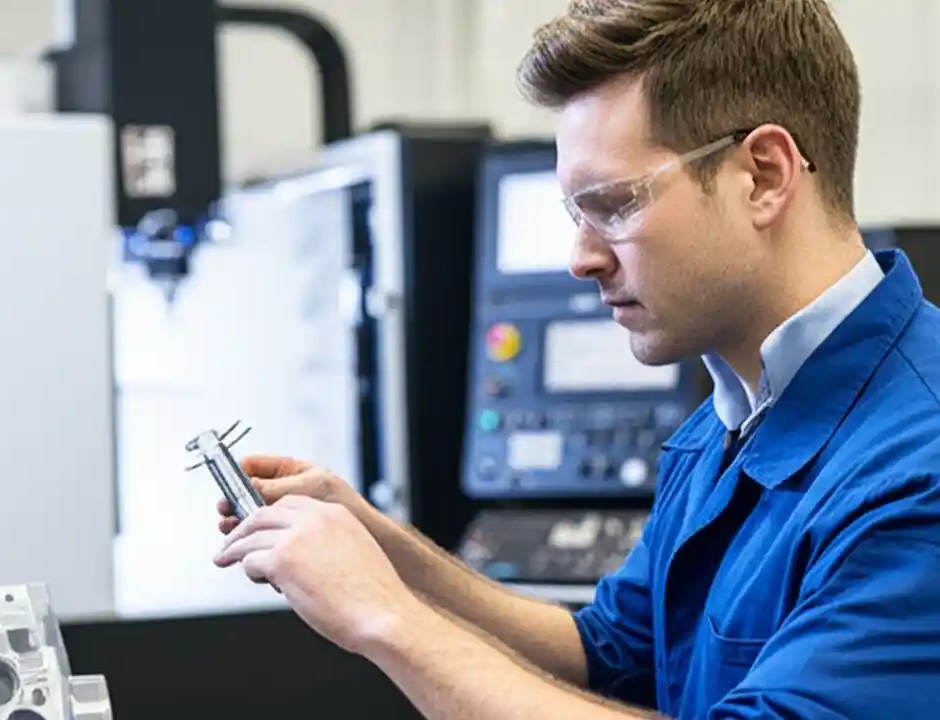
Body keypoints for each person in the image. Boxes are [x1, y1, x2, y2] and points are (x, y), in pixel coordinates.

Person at [211, 0, 940, 718]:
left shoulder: (916, 470)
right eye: (575, 214)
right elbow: (609, 655)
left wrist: (383, 617)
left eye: (614, 206)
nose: (580, 259)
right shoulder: (726, 424)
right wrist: (384, 549)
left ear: (764, 176)